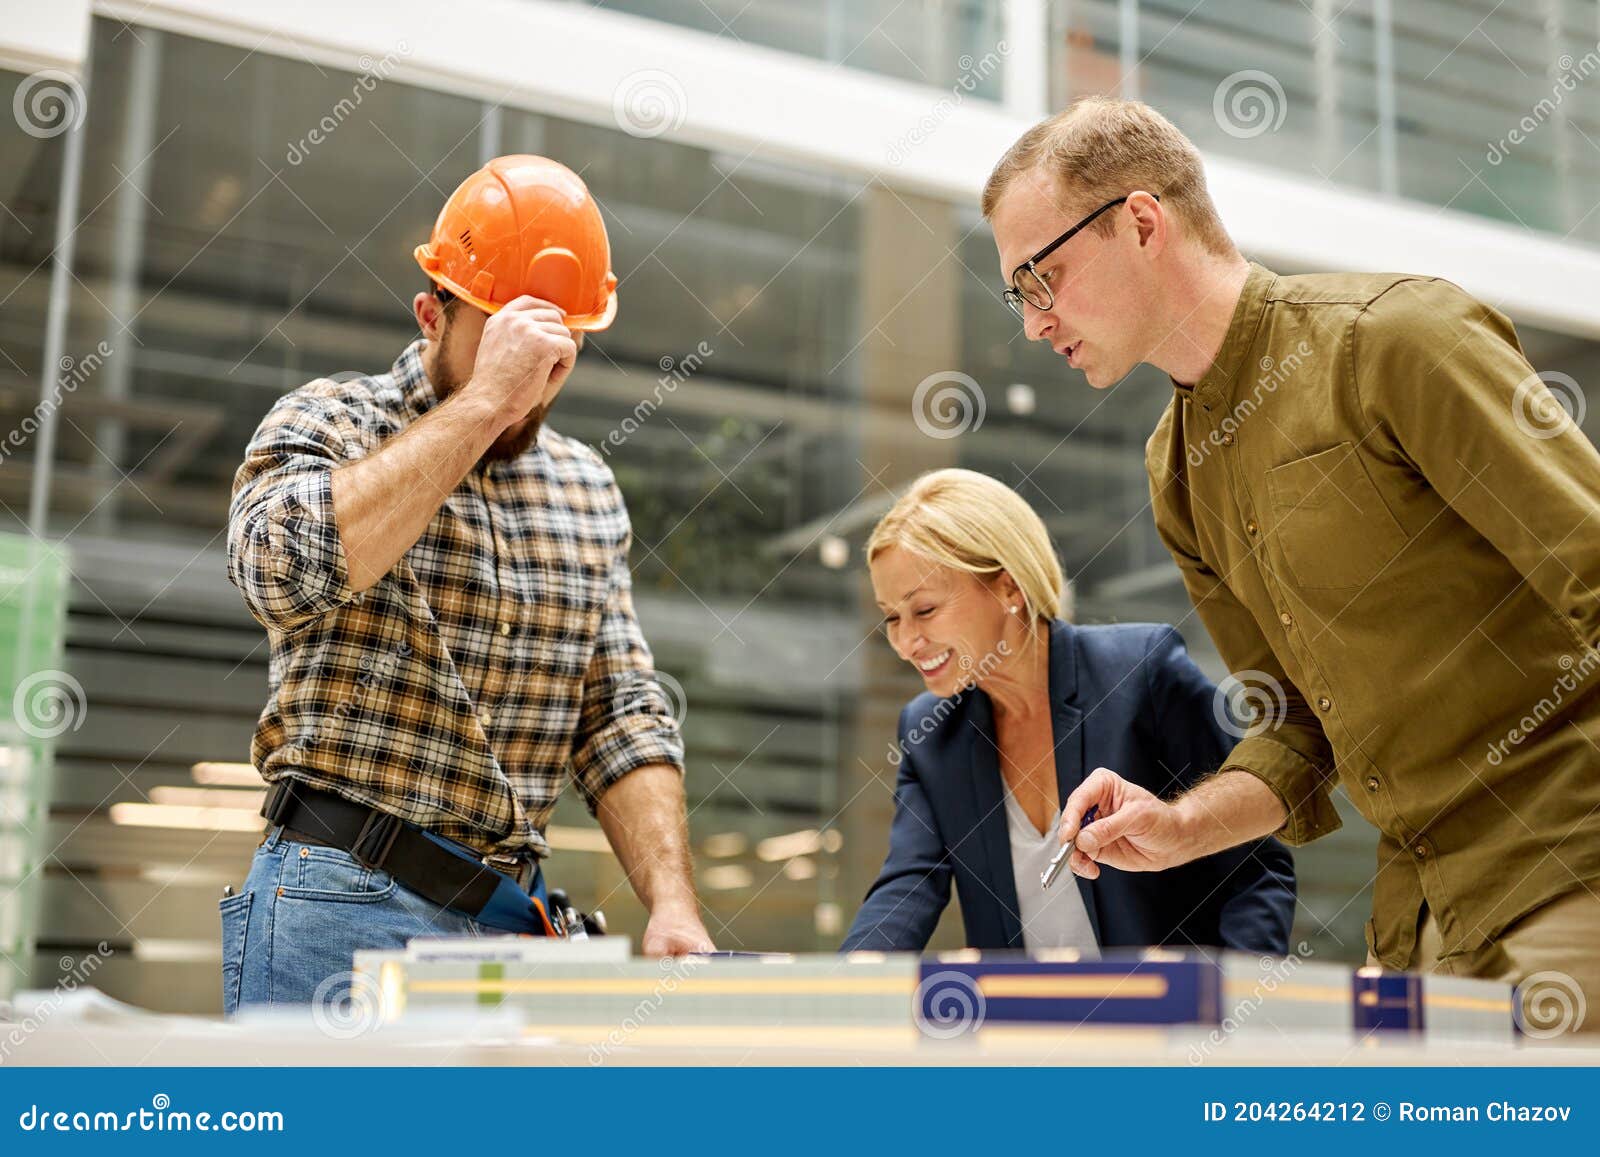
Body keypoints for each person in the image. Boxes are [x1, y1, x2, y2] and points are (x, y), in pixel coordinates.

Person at [983, 96, 1600, 1030]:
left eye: (1043, 277)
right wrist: (1179, 825)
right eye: (1018, 294)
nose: (1034, 323)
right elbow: (1298, 729)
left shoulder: (1395, 339)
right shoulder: (1175, 472)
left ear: (1141, 222)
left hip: (1566, 871)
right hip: (1419, 923)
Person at [222, 155, 712, 1013]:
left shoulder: (587, 489)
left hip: (506, 923)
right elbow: (276, 571)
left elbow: (618, 716)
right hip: (335, 900)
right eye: (507, 336)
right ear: (430, 314)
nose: (533, 375)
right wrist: (483, 404)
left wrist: (672, 902)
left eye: (557, 344)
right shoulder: (333, 420)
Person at [842, 469, 1295, 954]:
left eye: (925, 610)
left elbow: (1257, 870)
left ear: (1009, 588)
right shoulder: (930, 732)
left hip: (1170, 1000)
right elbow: (906, 889)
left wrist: (1231, 993)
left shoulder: (1140, 673)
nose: (905, 642)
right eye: (891, 617)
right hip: (1025, 1005)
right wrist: (840, 985)